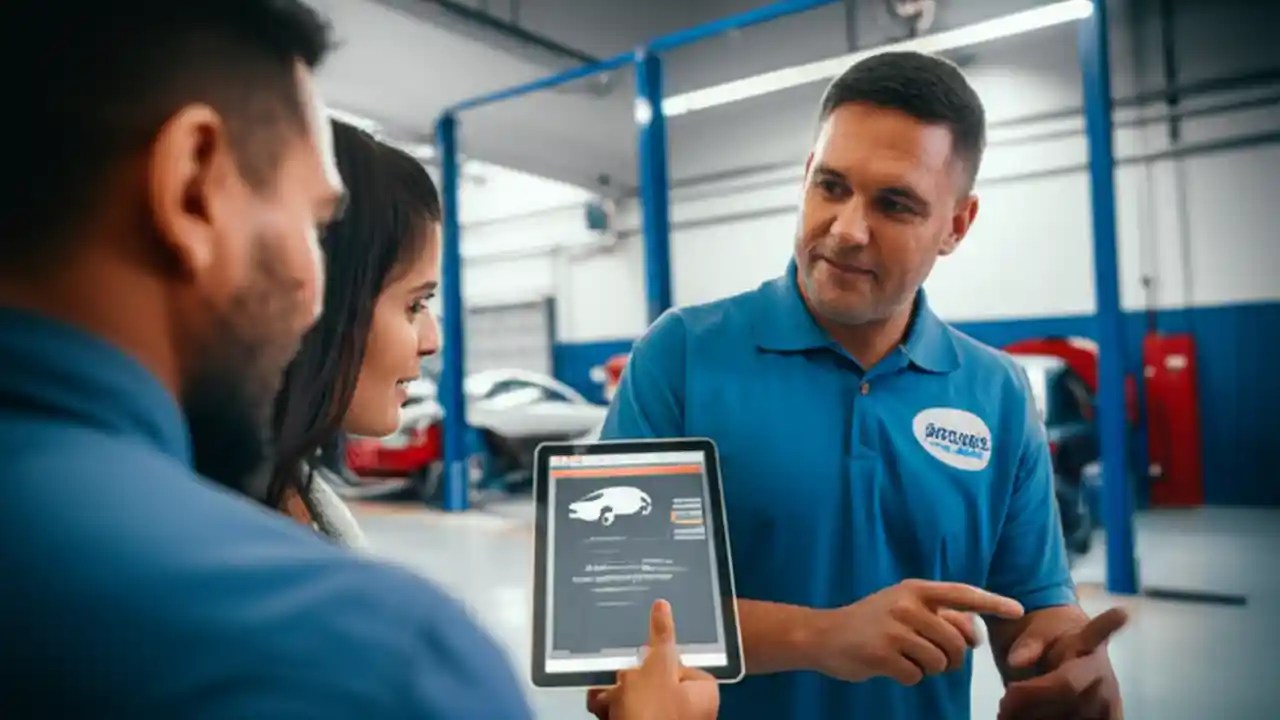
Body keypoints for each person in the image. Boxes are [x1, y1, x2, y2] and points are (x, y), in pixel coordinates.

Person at [598, 51, 1127, 720]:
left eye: (895, 204)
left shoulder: (997, 393)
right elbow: (613, 608)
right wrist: (822, 636)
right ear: (806, 178)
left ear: (956, 226)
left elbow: (1032, 604)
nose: (846, 229)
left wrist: (1066, 656)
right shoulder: (680, 356)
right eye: (831, 186)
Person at [250, 119, 444, 549]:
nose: (433, 341)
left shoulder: (292, 496)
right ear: (322, 301)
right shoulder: (231, 543)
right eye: (414, 305)